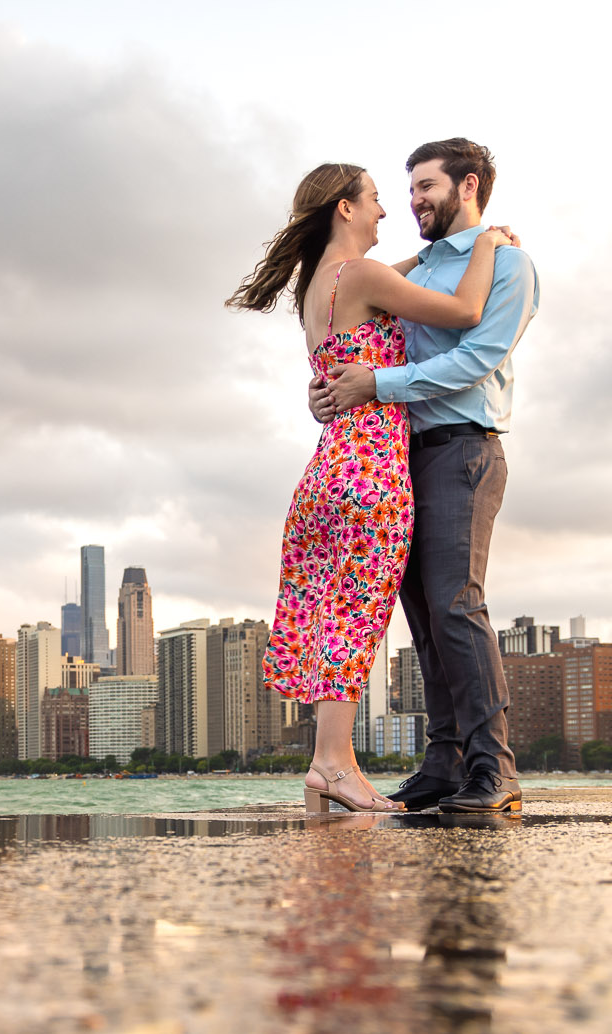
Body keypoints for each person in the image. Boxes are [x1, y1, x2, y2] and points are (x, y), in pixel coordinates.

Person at [228, 162, 513, 814]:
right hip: (372, 470)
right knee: (358, 622)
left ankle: (332, 762)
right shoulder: (361, 276)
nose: (386, 211)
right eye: (377, 200)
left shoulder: (318, 285)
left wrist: (430, 253)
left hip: (328, 467)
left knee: (333, 616)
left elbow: (386, 288)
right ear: (345, 209)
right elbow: (466, 310)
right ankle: (333, 763)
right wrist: (489, 245)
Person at [310, 138, 539, 815]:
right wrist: (327, 392)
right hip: (397, 458)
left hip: (463, 449)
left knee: (455, 605)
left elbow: (478, 355)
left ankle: (493, 768)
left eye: (426, 187)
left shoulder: (508, 262)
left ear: (468, 186)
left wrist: (377, 385)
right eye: (407, 190)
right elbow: (352, 339)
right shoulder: (409, 271)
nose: (413, 201)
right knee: (423, 617)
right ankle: (444, 764)